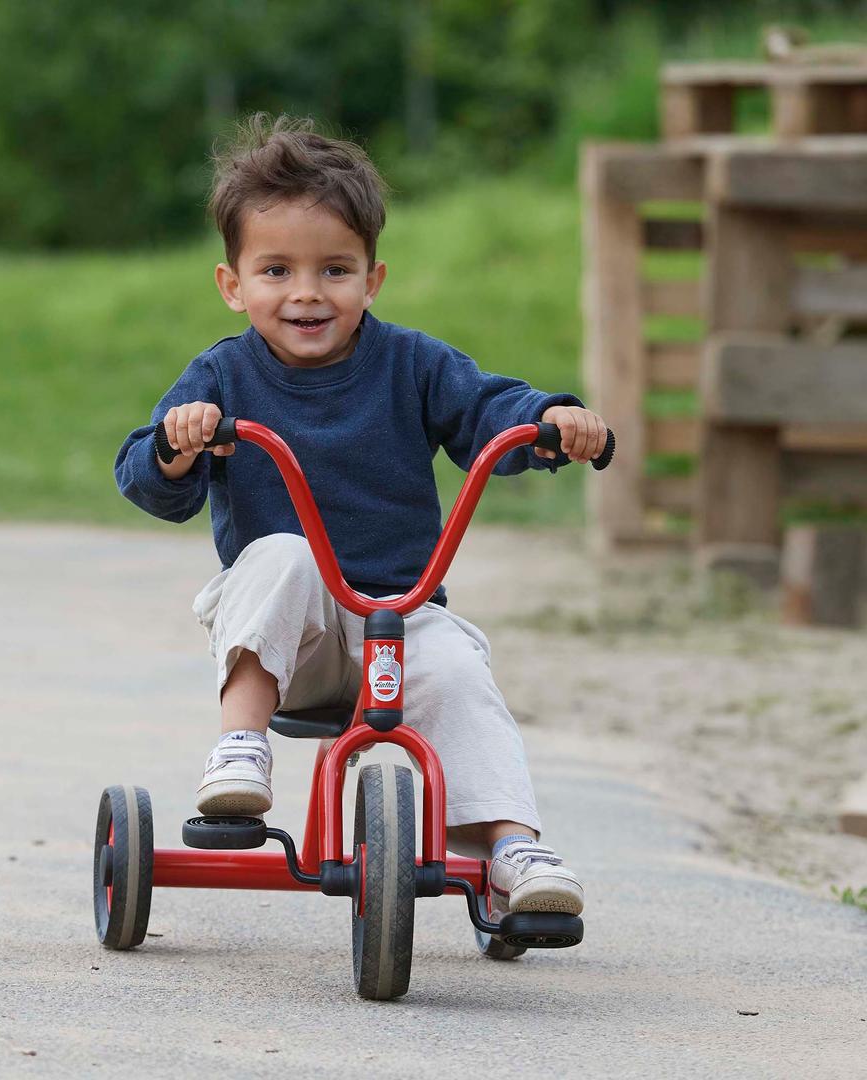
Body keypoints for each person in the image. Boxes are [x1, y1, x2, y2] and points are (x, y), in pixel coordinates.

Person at [115, 114, 608, 920]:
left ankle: (514, 845)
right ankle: (241, 747)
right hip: (292, 644)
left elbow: (490, 410)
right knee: (282, 553)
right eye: (276, 270)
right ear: (233, 285)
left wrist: (551, 421)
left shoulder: (413, 364)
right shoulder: (222, 375)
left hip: (397, 621)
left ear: (372, 279)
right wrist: (179, 444)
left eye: (335, 269)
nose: (307, 292)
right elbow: (147, 477)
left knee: (457, 668)